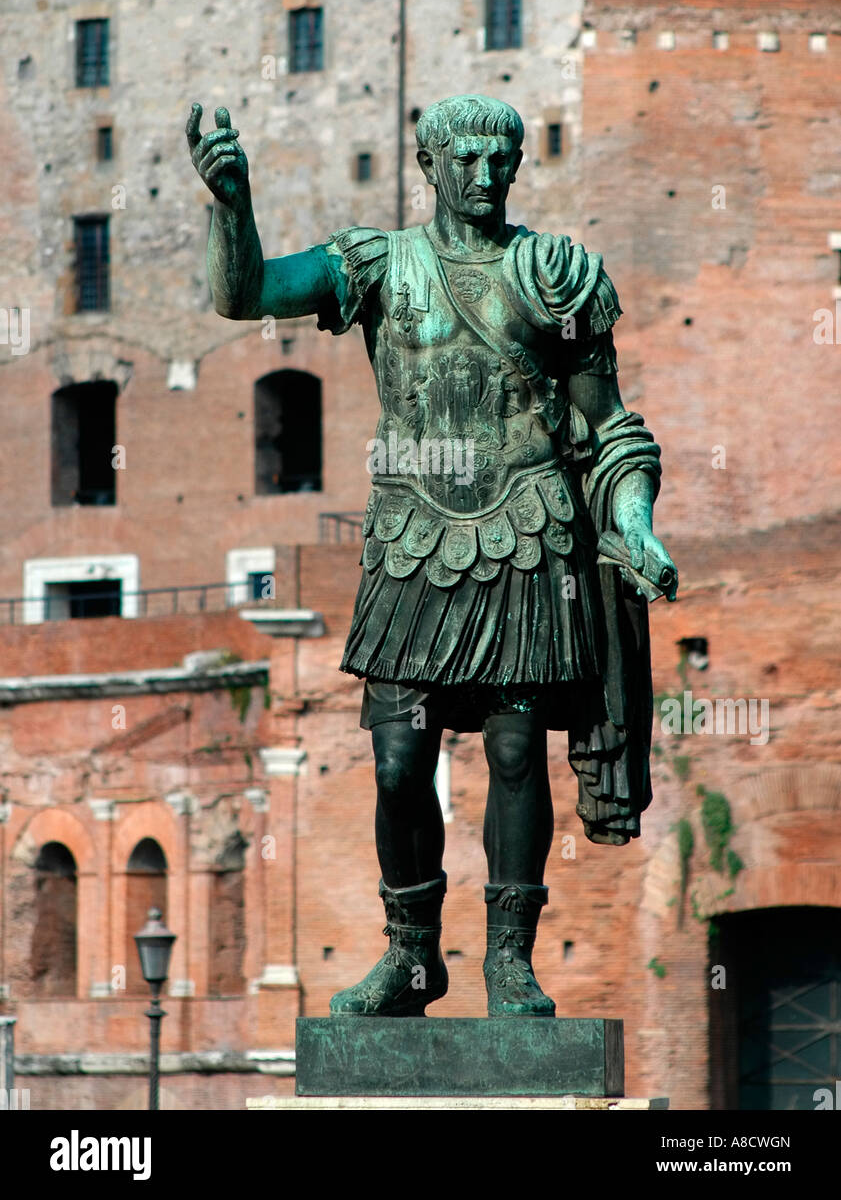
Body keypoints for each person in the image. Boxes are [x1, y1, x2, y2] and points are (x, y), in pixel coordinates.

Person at [186, 93, 678, 1019]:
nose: (487, 177)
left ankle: (508, 962)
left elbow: (612, 428)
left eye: (504, 160)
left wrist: (638, 523)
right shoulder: (377, 266)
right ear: (429, 164)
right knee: (398, 764)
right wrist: (230, 204)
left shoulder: (553, 274)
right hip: (414, 543)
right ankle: (413, 958)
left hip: (528, 536)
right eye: (468, 160)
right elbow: (243, 295)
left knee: (516, 750)